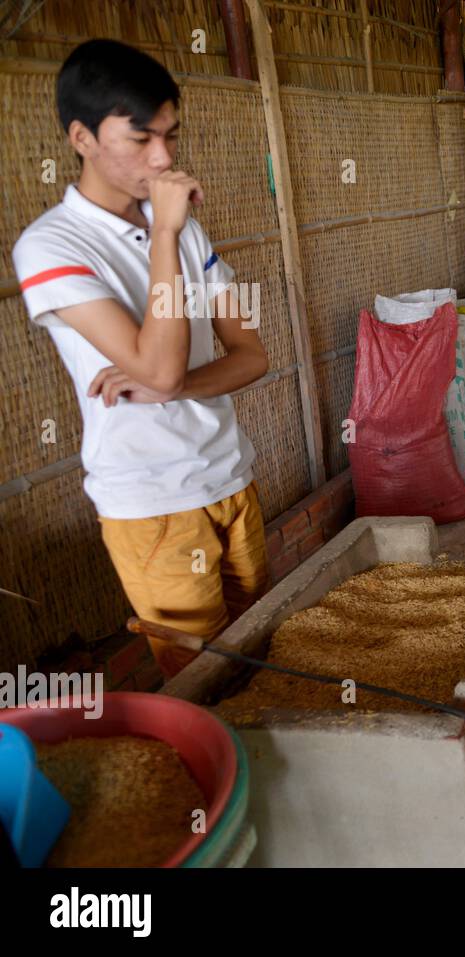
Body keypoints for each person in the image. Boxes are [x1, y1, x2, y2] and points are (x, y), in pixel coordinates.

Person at [11, 39, 270, 678]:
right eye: (141, 139)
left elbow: (253, 353)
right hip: (152, 501)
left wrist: (175, 388)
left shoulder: (188, 229)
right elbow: (158, 366)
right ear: (82, 137)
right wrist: (163, 236)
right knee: (202, 678)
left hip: (231, 477)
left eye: (171, 136)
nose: (163, 158)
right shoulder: (48, 247)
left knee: (267, 646)